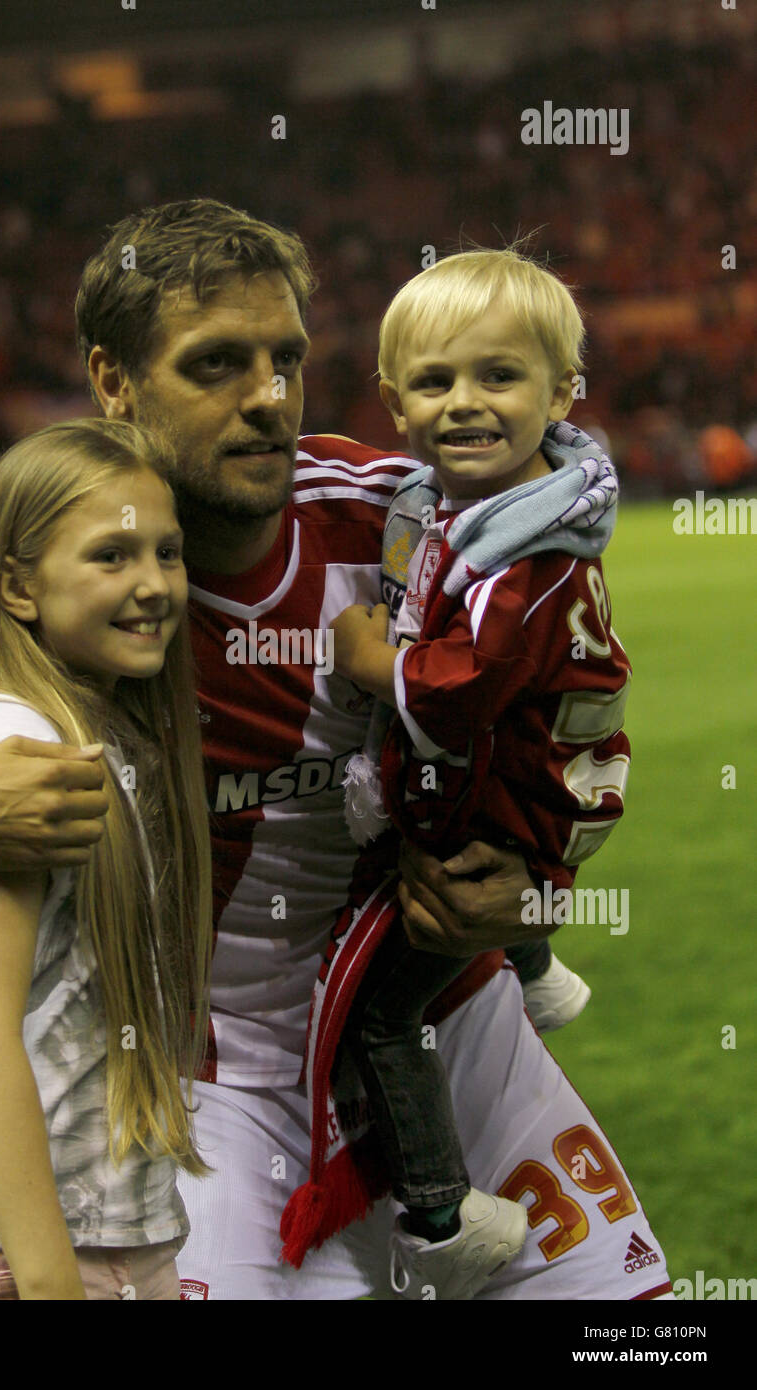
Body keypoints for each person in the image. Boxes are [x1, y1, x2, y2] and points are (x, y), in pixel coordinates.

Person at [0, 200, 671, 1300]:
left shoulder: (400, 521)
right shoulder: (22, 615)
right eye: (216, 363)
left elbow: (572, 727)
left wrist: (534, 891)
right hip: (198, 1083)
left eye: (286, 360)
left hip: (434, 1018)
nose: (265, 398)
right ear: (113, 382)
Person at [280, 249, 631, 1297]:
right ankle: (535, 966)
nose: (463, 404)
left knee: (380, 1014)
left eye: (498, 377)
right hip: (538, 777)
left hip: (515, 796)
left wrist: (365, 658)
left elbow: (455, 687)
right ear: (391, 400)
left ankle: (445, 1213)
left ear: (563, 390)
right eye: (433, 383)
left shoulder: (525, 554)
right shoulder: (494, 503)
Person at [0, 418, 213, 1300]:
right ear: (17, 587)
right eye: (111, 556)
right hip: (0, 1254)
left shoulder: (108, 726)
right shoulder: (11, 736)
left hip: (106, 1236)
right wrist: (52, 1285)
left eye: (167, 553)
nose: (153, 585)